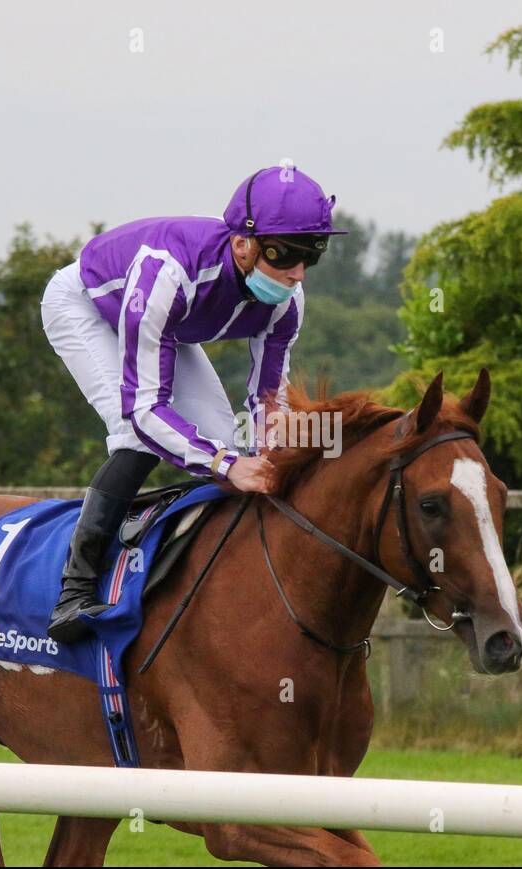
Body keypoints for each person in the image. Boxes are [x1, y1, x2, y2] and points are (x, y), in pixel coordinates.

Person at [40, 165, 345, 642]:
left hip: (169, 325)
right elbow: (145, 411)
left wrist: (267, 458)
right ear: (242, 243)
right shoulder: (169, 272)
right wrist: (225, 465)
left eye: (313, 257)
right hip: (87, 305)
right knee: (134, 434)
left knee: (227, 444)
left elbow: (269, 401)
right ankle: (74, 591)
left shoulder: (287, 301)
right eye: (285, 254)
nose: (297, 273)